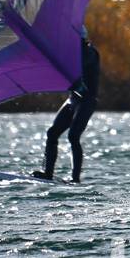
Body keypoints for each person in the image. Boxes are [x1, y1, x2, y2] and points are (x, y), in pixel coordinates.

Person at [33, 26, 100, 182]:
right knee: (52, 133)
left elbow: (76, 69)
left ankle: (75, 179)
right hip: (73, 99)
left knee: (73, 137)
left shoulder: (89, 53)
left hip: (87, 101)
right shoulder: (73, 52)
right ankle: (47, 173)